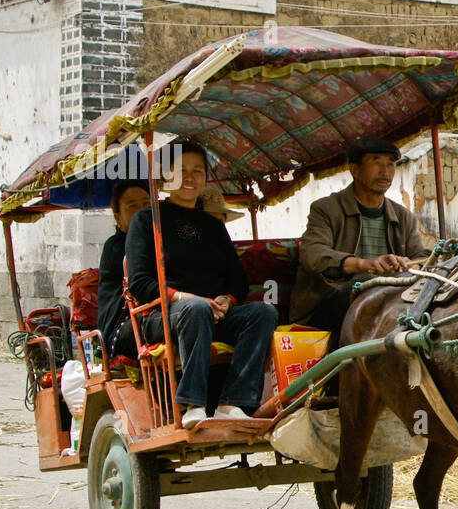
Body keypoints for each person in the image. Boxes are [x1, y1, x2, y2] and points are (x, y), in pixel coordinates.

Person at [125, 141, 278, 429]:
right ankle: (193, 404)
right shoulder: (146, 220)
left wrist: (226, 300)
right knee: (195, 309)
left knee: (263, 313)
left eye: (197, 171)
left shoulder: (213, 225)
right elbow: (140, 283)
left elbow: (238, 280)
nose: (190, 178)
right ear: (165, 176)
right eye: (181, 170)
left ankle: (233, 402)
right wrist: (184, 297)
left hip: (213, 311)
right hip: (163, 313)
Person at [291, 136, 435, 338]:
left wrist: (413, 266)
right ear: (354, 170)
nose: (385, 172)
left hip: (388, 304)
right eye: (376, 163)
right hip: (330, 307)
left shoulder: (403, 216)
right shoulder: (326, 209)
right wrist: (363, 264)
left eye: (390, 164)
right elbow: (312, 253)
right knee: (367, 285)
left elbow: (420, 256)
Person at [97, 178, 150, 360]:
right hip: (123, 326)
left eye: (146, 203)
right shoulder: (115, 247)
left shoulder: (159, 240)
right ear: (118, 217)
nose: (141, 210)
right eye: (132, 206)